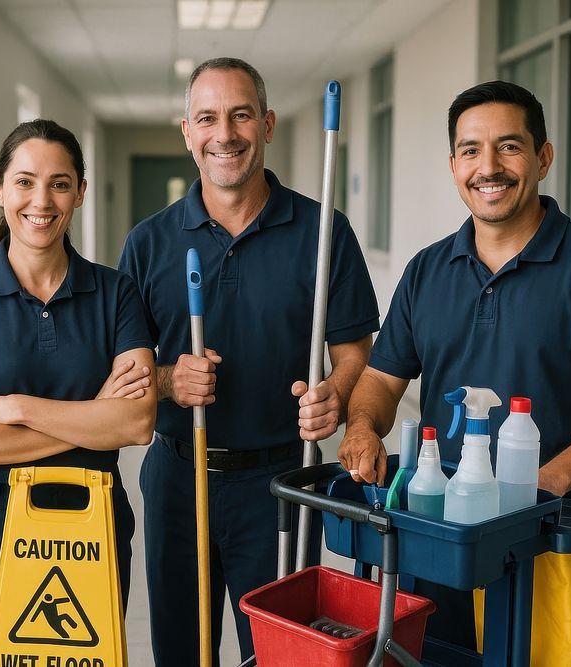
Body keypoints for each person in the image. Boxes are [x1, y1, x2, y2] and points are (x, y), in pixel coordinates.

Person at [338, 80, 571, 649]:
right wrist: (362, 426)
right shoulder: (426, 271)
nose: (488, 167)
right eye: (470, 150)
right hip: (436, 527)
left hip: (553, 534)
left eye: (509, 147)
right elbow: (383, 380)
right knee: (431, 657)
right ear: (453, 164)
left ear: (543, 158)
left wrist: (541, 488)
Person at [118, 58, 379, 664]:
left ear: (267, 124)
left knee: (281, 652)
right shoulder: (149, 242)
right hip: (180, 478)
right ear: (187, 131)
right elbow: (122, 372)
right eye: (207, 117)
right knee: (183, 649)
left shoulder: (323, 230)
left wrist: (336, 392)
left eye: (240, 115)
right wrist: (168, 379)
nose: (224, 133)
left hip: (285, 481)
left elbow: (354, 351)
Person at [0, 119, 157, 666]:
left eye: (59, 182)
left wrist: (21, 409)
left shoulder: (115, 292)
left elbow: (137, 423)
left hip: (87, 520)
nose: (41, 200)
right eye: (25, 182)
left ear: (79, 191)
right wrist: (92, 420)